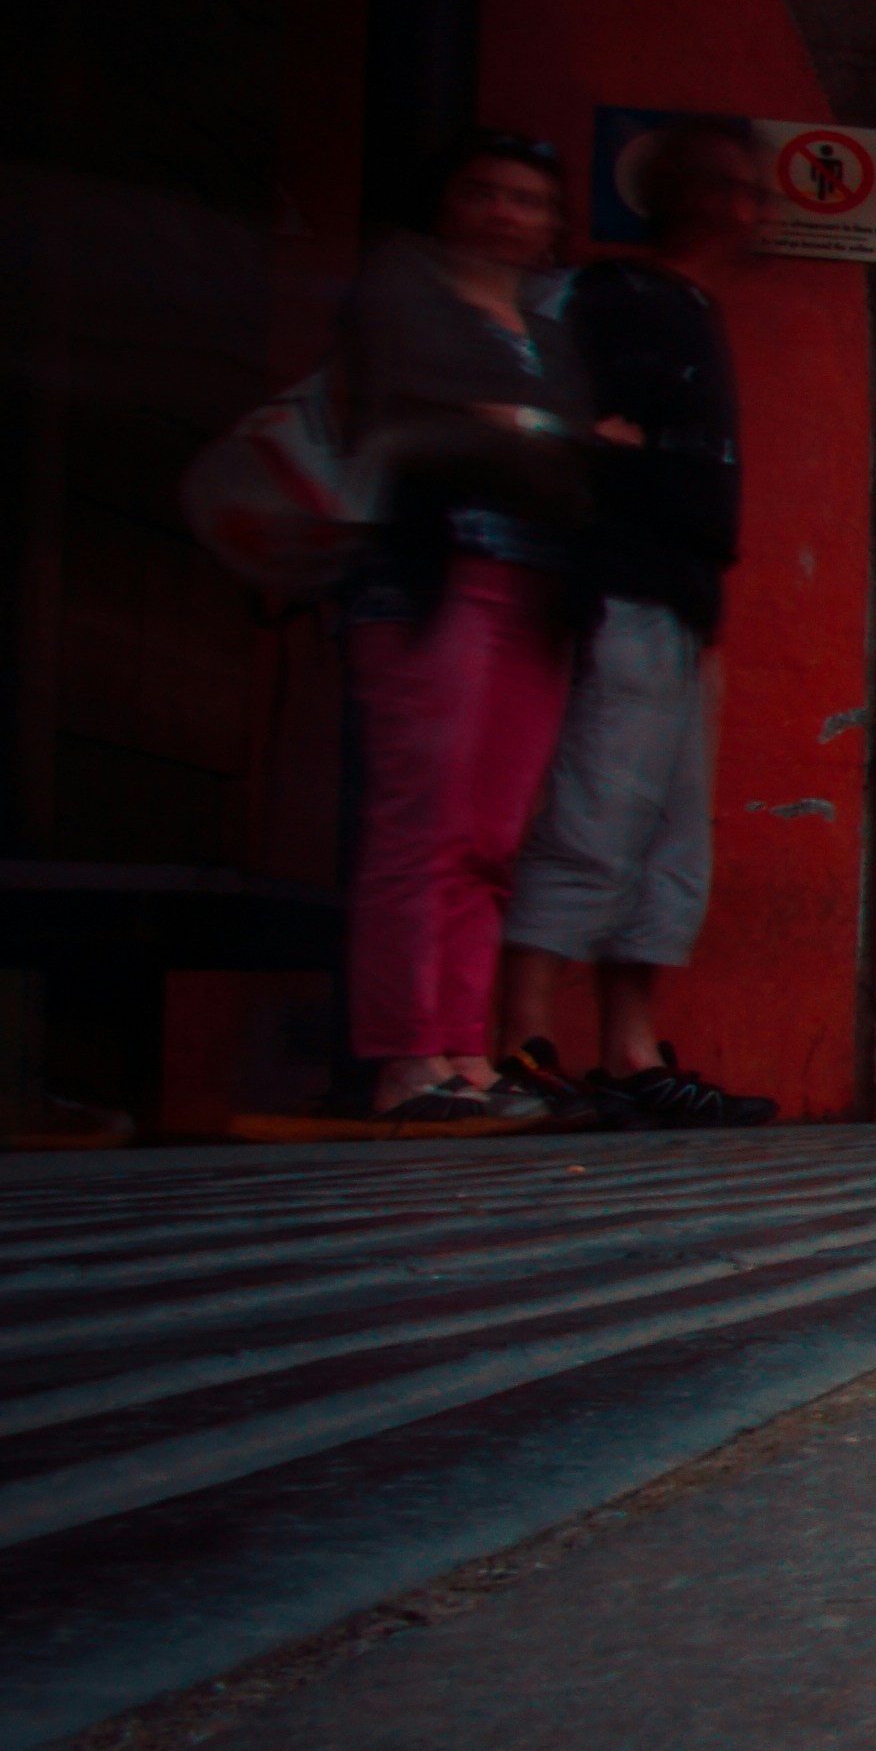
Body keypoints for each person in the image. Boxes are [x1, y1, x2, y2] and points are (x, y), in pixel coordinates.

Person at [501, 120, 776, 1125]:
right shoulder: (610, 295)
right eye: (722, 182)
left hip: (687, 595)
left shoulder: (692, 306)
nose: (740, 203)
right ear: (673, 191)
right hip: (620, 579)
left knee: (668, 832)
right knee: (595, 806)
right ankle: (522, 1037)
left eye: (748, 186)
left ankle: (628, 1046)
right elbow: (529, 405)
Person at [333, 129, 596, 1129]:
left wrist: (519, 424)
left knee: (488, 839)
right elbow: (430, 419)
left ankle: (464, 1054)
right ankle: (406, 1058)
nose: (505, 213)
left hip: (534, 591)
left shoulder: (543, 328)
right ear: (444, 204)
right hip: (433, 579)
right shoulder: (401, 290)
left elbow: (570, 453)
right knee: (422, 824)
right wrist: (541, 432)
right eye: (483, 192)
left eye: (527, 200)